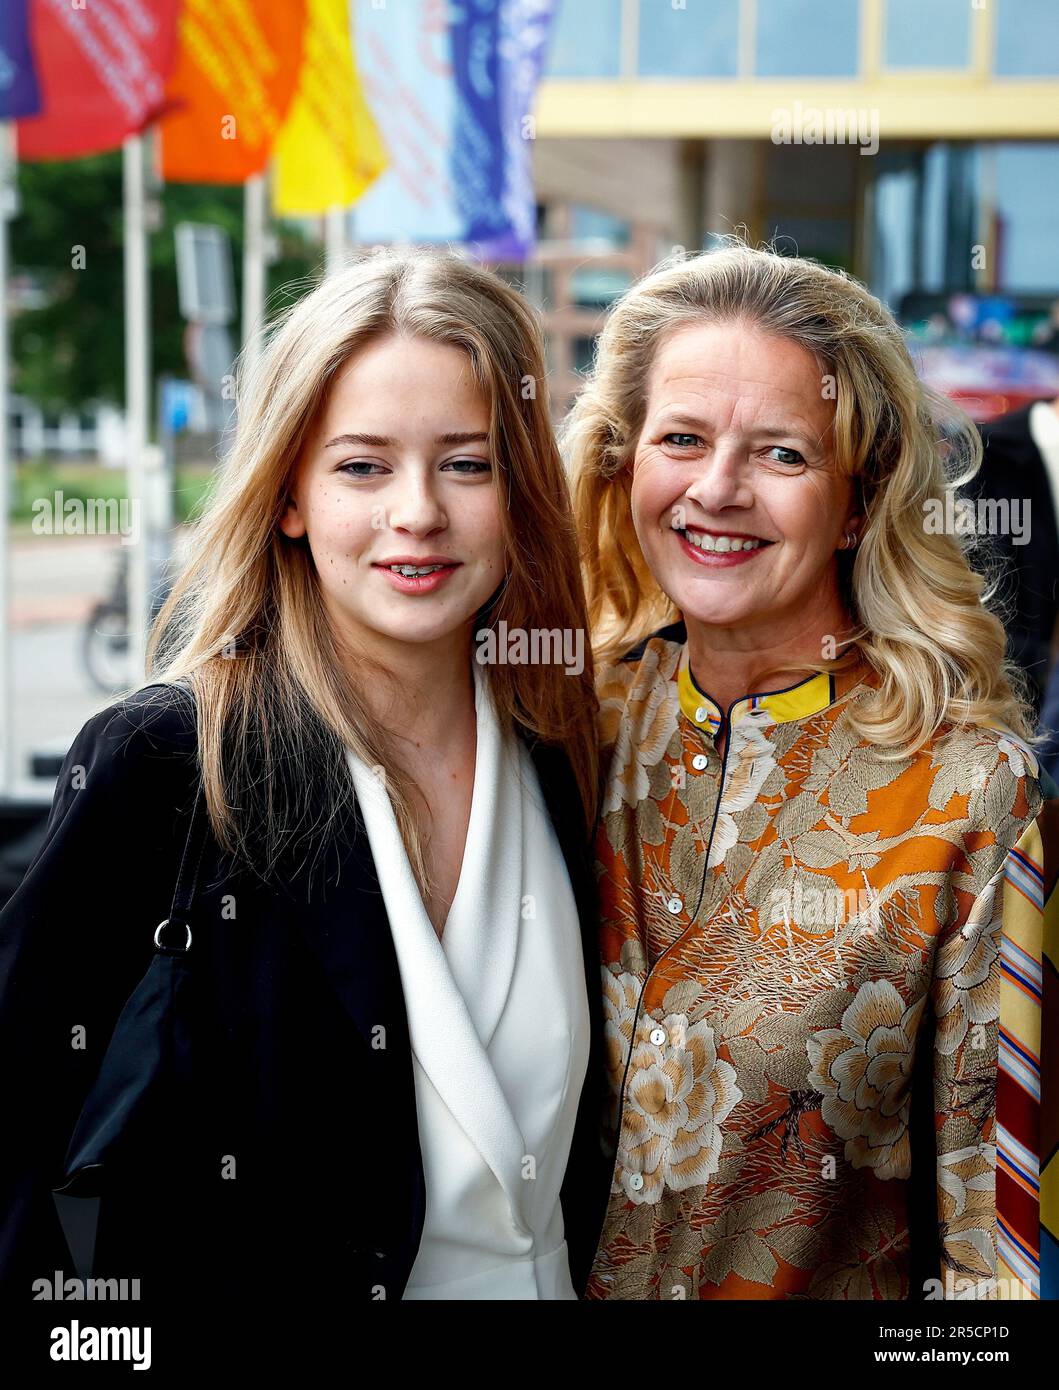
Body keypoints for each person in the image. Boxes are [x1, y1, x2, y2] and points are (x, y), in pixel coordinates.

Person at [0, 249, 610, 1346]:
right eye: (363, 468)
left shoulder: (564, 745)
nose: (417, 513)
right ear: (288, 495)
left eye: (466, 465)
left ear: (519, 490)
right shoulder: (166, 760)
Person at [564, 240, 1056, 1301]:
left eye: (783, 455)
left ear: (864, 497)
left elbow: (1000, 1261)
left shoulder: (977, 794)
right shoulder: (563, 726)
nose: (718, 489)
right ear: (625, 461)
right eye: (681, 439)